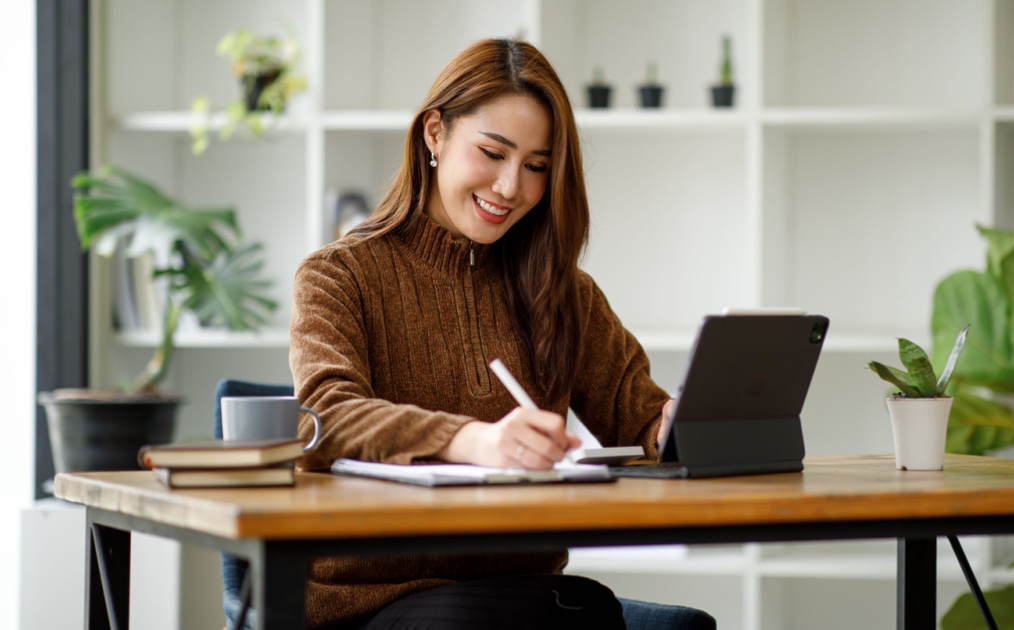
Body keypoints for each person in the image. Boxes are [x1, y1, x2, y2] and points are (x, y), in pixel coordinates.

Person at [289, 38, 714, 630]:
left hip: (518, 599)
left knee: (585, 611)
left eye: (536, 166)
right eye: (492, 153)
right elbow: (325, 415)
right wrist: (470, 442)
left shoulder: (563, 292)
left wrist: (673, 424)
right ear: (434, 134)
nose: (511, 187)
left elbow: (638, 417)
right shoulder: (339, 275)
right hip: (368, 604)